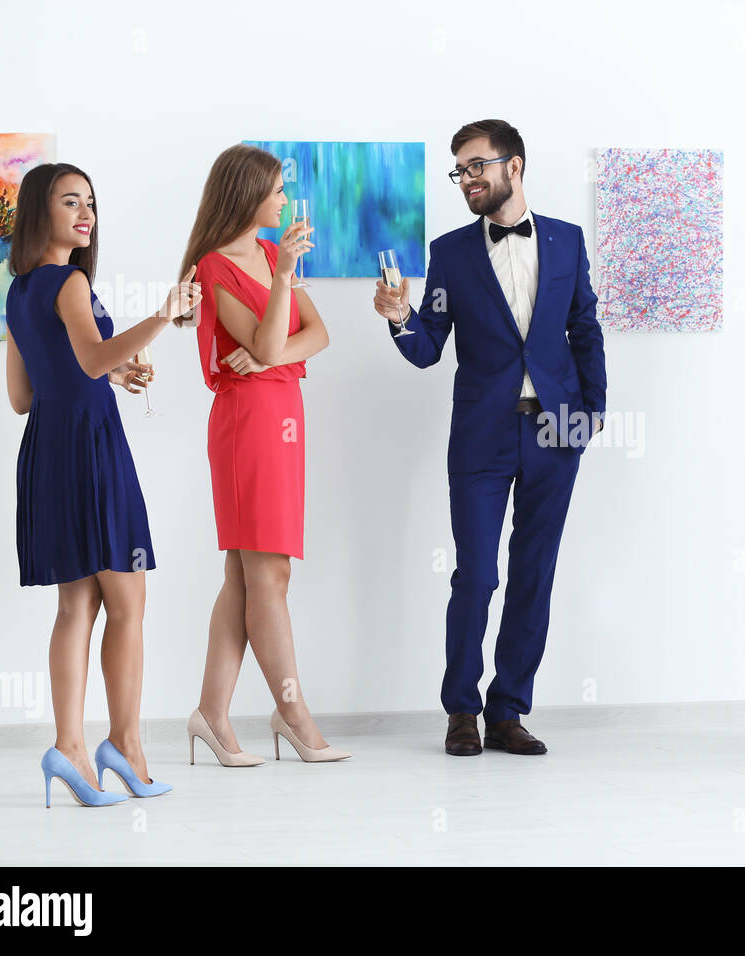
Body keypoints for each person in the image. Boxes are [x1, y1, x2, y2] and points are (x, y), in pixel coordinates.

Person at [375, 119, 606, 757]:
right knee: (476, 575)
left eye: (477, 166)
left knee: (534, 574)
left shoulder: (566, 240)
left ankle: (509, 710)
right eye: (460, 170)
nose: (467, 180)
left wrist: (592, 415)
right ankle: (461, 710)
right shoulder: (449, 253)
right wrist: (399, 319)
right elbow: (428, 348)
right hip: (481, 435)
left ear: (515, 166)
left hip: (556, 431)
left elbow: (585, 328)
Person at [6, 162, 196, 806]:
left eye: (90, 201)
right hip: (92, 451)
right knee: (129, 603)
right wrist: (163, 317)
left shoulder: (19, 290)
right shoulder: (71, 282)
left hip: (48, 451)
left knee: (75, 607)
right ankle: (128, 747)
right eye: (69, 202)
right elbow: (89, 356)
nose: (85, 213)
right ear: (42, 212)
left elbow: (23, 395)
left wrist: (111, 377)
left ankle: (71, 749)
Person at [179, 144, 349, 765]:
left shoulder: (277, 253)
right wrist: (278, 299)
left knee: (243, 575)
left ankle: (211, 714)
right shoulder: (213, 269)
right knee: (269, 574)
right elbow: (272, 337)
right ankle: (292, 709)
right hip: (246, 423)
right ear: (248, 194)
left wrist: (271, 349)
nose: (284, 201)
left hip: (283, 414)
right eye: (276, 191)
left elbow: (318, 334)